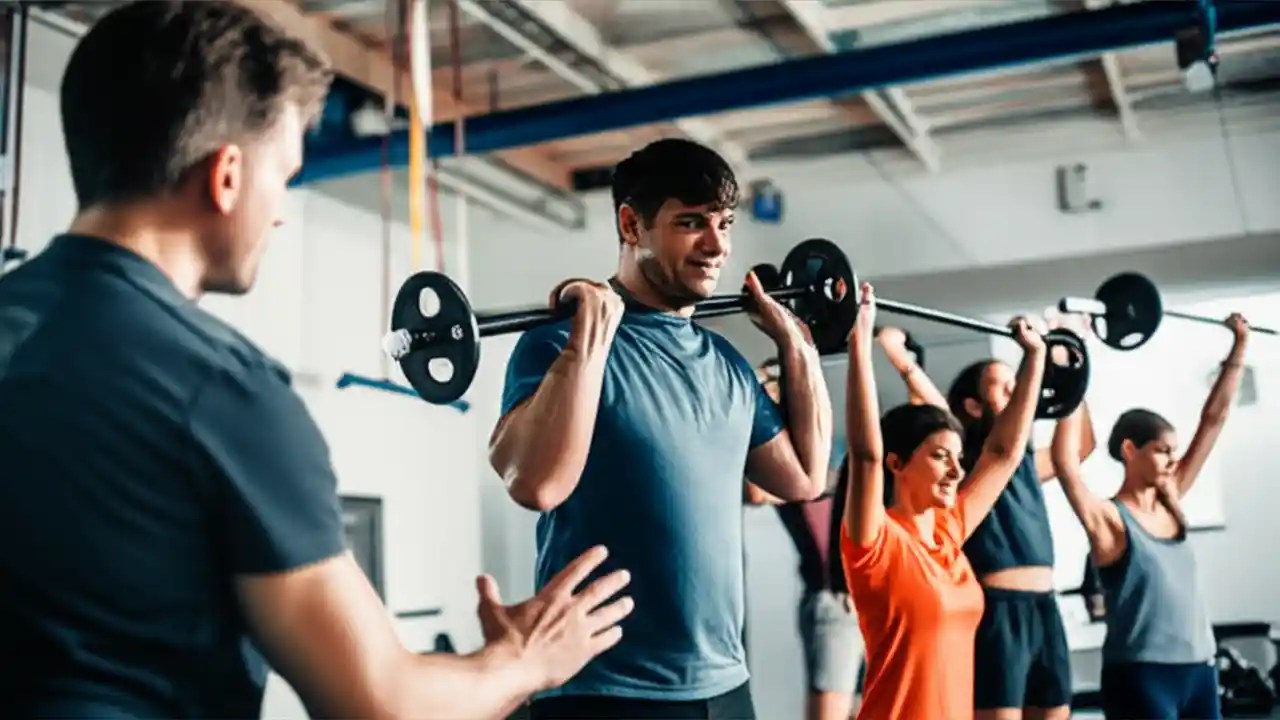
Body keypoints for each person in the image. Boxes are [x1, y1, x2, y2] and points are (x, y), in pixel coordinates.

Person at [0, 3, 633, 718]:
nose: (279, 211)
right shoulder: (219, 391)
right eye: (285, 176)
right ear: (228, 176)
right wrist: (522, 661)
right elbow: (381, 705)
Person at [489, 137, 834, 719]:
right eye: (692, 223)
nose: (718, 245)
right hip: (604, 691)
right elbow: (536, 485)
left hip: (724, 685)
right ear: (632, 224)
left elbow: (804, 476)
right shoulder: (556, 343)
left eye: (724, 224)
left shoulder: (726, 364)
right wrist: (589, 341)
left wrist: (796, 343)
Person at [840, 281, 1047, 720]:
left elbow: (1003, 453)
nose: (956, 471)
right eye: (939, 457)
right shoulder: (875, 541)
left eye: (957, 457)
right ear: (897, 463)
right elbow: (865, 454)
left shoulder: (950, 532)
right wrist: (860, 340)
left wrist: (1035, 358)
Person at [877, 319, 1097, 719]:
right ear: (973, 406)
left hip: (1045, 609)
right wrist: (900, 358)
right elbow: (937, 410)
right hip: (997, 612)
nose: (1014, 390)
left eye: (1015, 383)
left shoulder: (1027, 460)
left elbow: (1079, 446)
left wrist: (1070, 365)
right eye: (1001, 386)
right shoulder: (966, 459)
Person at [1050, 313, 1251, 720]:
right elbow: (1066, 464)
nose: (1172, 459)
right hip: (1141, 675)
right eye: (1161, 449)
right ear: (1130, 450)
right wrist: (1074, 362)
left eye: (1172, 450)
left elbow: (1213, 420)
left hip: (1200, 670)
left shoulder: (1171, 499)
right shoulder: (1109, 519)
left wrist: (1240, 345)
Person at [744, 358, 864, 720]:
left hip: (860, 601)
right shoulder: (784, 468)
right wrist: (759, 393)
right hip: (832, 602)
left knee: (861, 708)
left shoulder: (830, 453)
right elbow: (757, 494)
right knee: (830, 711)